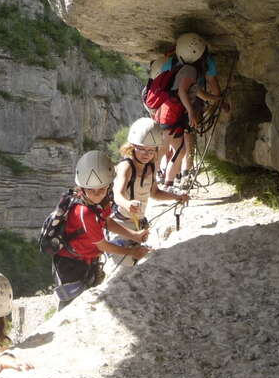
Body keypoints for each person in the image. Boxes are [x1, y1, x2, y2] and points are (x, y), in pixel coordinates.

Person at [52, 150, 151, 309]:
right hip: (70, 265)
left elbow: (106, 222)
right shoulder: (84, 212)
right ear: (82, 189)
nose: (97, 195)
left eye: (101, 190)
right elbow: (103, 246)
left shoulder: (101, 202)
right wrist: (132, 252)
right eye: (91, 191)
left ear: (108, 186)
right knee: (70, 306)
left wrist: (135, 235)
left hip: (86, 259)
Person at [110, 118, 190, 268]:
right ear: (133, 147)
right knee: (126, 265)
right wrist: (128, 203)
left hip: (138, 223)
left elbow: (155, 193)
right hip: (122, 223)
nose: (146, 154)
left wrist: (176, 197)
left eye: (151, 150)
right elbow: (117, 194)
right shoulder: (126, 167)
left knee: (138, 263)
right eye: (142, 149)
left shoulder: (151, 167)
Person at [158, 32, 225, 189]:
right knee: (177, 147)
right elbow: (183, 91)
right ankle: (172, 178)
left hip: (168, 108)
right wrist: (191, 112)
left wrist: (217, 100)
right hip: (176, 111)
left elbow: (196, 91)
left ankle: (167, 180)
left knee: (173, 148)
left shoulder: (174, 63)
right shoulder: (192, 70)